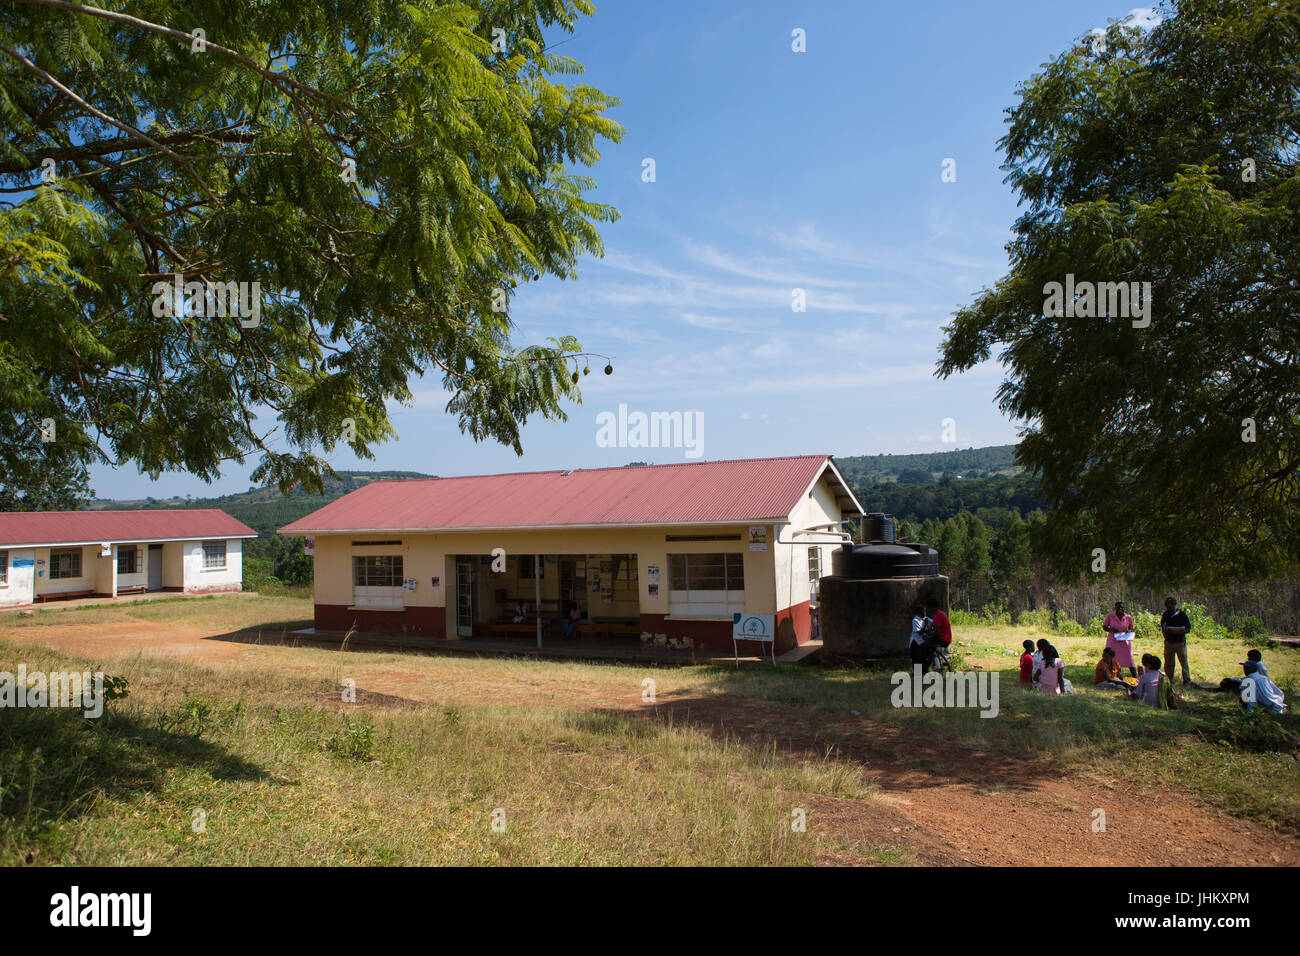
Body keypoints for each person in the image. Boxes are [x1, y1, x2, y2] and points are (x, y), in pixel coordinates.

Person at [1159, 596, 1192, 685]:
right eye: (1167, 606)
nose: (1169, 608)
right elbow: (1162, 625)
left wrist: (1180, 631)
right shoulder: (1165, 615)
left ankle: (1187, 681)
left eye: (1171, 606)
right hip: (1169, 642)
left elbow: (1188, 628)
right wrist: (1165, 632)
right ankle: (1168, 681)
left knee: (1184, 662)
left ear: (1175, 605)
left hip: (1180, 642)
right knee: (1168, 663)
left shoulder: (1182, 615)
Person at [1102, 601, 1137, 677]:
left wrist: (1129, 631)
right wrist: (1111, 630)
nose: (1121, 609)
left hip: (1124, 641)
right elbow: (1104, 626)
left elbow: (1132, 628)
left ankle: (1135, 677)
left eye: (1122, 607)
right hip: (1113, 641)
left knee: (1129, 658)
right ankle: (1117, 675)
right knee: (1114, 659)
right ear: (1115, 608)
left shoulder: (1128, 617)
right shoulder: (1110, 616)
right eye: (1119, 607)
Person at [909, 604, 933, 673]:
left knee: (924, 657)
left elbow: (933, 623)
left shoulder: (925, 619)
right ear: (919, 612)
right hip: (916, 643)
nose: (925, 613)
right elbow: (920, 633)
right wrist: (925, 625)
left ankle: (924, 671)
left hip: (922, 642)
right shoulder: (915, 620)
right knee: (917, 659)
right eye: (924, 611)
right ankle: (918, 674)